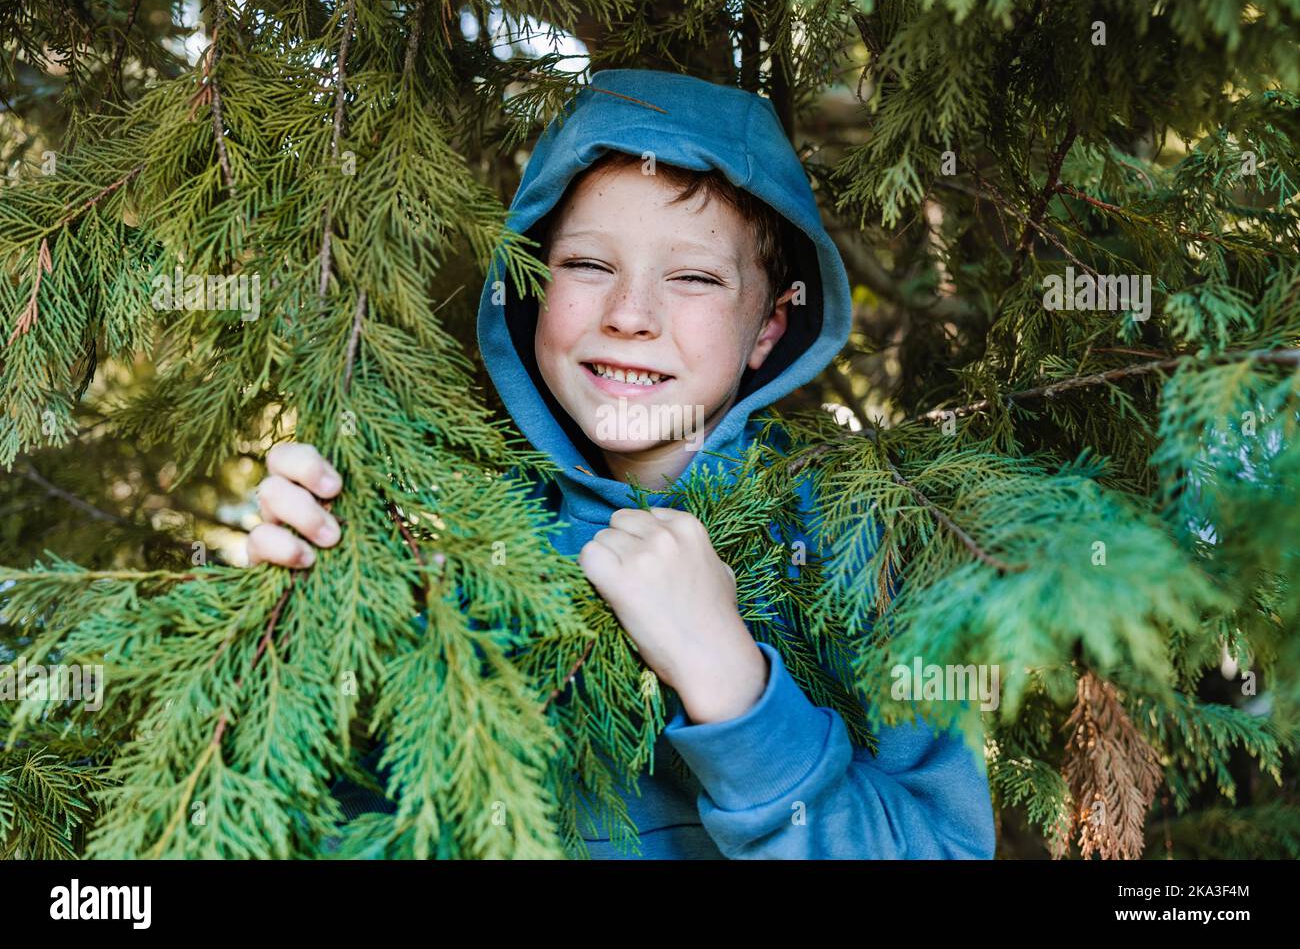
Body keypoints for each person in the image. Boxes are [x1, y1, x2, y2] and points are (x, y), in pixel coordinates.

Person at [246, 68, 996, 859]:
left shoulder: (859, 544)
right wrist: (297, 643)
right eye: (588, 266)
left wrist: (732, 683)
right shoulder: (456, 537)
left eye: (695, 277)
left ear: (771, 328)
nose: (629, 315)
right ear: (530, 288)